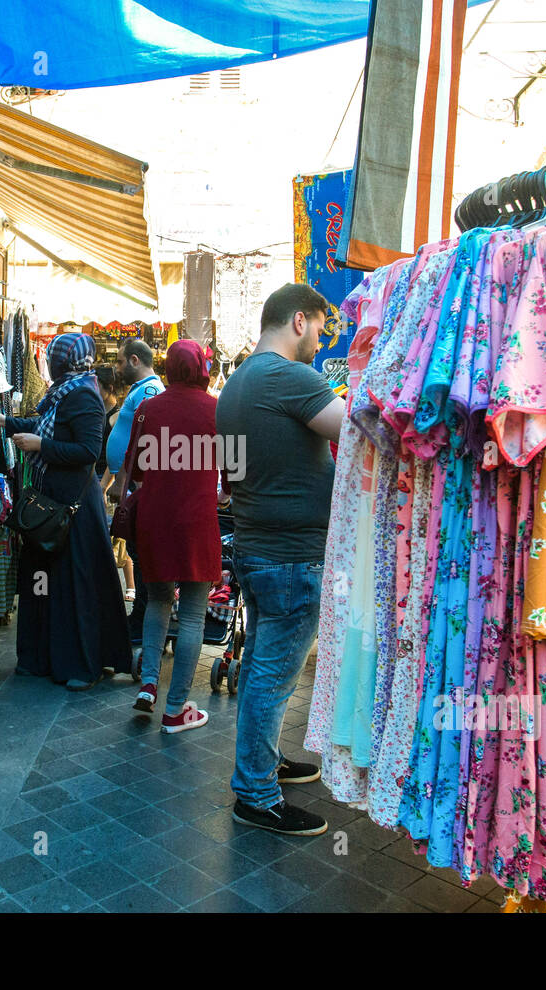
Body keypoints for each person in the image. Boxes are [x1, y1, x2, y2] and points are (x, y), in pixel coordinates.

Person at [215, 283, 344, 836]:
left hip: (258, 549)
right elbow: (358, 433)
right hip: (291, 558)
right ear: (297, 320)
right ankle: (255, 793)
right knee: (271, 675)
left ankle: (262, 766)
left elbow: (233, 471)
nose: (320, 339)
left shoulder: (235, 385)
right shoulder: (292, 378)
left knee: (265, 670)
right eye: (319, 326)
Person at [0, 332, 130, 691]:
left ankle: (80, 664)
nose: (50, 362)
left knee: (74, 586)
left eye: (54, 357)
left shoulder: (82, 394)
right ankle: (42, 658)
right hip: (51, 507)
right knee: (45, 585)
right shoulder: (65, 391)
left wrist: (42, 446)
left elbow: (86, 450)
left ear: (65, 361)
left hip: (73, 511)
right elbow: (48, 425)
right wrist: (8, 424)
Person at [120, 340, 223, 733]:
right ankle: (177, 707)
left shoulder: (149, 408)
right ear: (201, 368)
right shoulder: (218, 409)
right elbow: (234, 471)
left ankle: (148, 683)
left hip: (154, 521)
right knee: (194, 612)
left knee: (159, 600)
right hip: (197, 523)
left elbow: (137, 470)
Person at [106, 337, 164, 643]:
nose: (116, 367)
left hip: (136, 487)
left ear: (134, 361)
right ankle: (140, 614)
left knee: (140, 554)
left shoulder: (150, 391)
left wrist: (127, 481)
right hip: (130, 485)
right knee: (135, 550)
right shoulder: (141, 391)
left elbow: (146, 440)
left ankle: (141, 617)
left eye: (119, 361)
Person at [94, 365, 135, 599]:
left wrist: (105, 485)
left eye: (96, 385)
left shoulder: (117, 415)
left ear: (109, 388)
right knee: (110, 537)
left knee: (118, 538)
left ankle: (129, 586)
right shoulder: (100, 412)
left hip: (108, 480)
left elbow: (118, 452)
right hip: (98, 479)